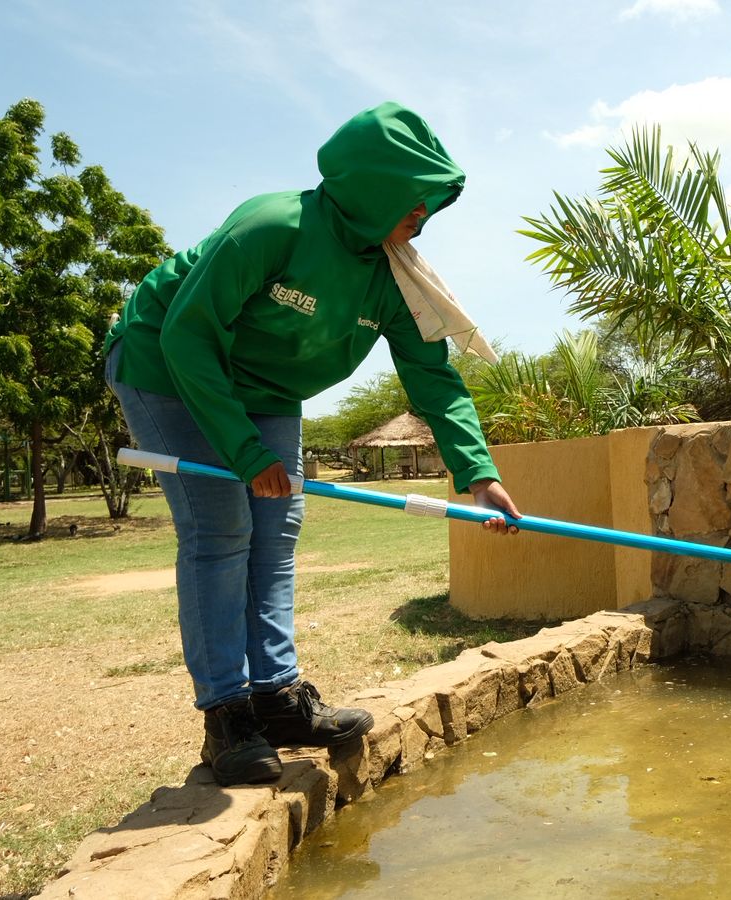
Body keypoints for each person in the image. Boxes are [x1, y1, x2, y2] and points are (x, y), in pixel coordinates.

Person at [104, 102, 520, 786]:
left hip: (266, 386)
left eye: (429, 199)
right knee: (221, 529)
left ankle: (277, 698)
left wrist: (478, 473)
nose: (422, 212)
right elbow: (189, 335)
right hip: (169, 364)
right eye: (412, 194)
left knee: (277, 529)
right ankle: (227, 716)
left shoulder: (395, 275)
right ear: (372, 186)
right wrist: (246, 453)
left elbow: (434, 379)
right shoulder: (271, 226)